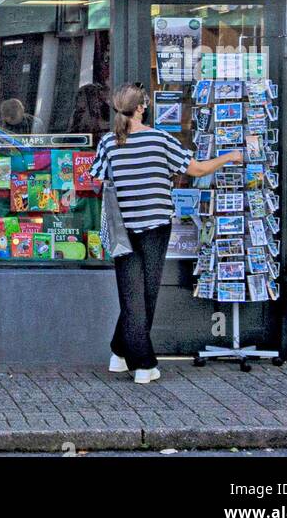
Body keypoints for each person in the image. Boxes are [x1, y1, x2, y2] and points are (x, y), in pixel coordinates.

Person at [91, 83, 243, 385]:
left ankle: (119, 353)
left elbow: (97, 181)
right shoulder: (160, 139)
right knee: (144, 295)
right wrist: (230, 157)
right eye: (144, 102)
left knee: (133, 294)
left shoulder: (108, 143)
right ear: (141, 108)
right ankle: (144, 365)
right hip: (156, 227)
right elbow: (196, 170)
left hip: (123, 228)